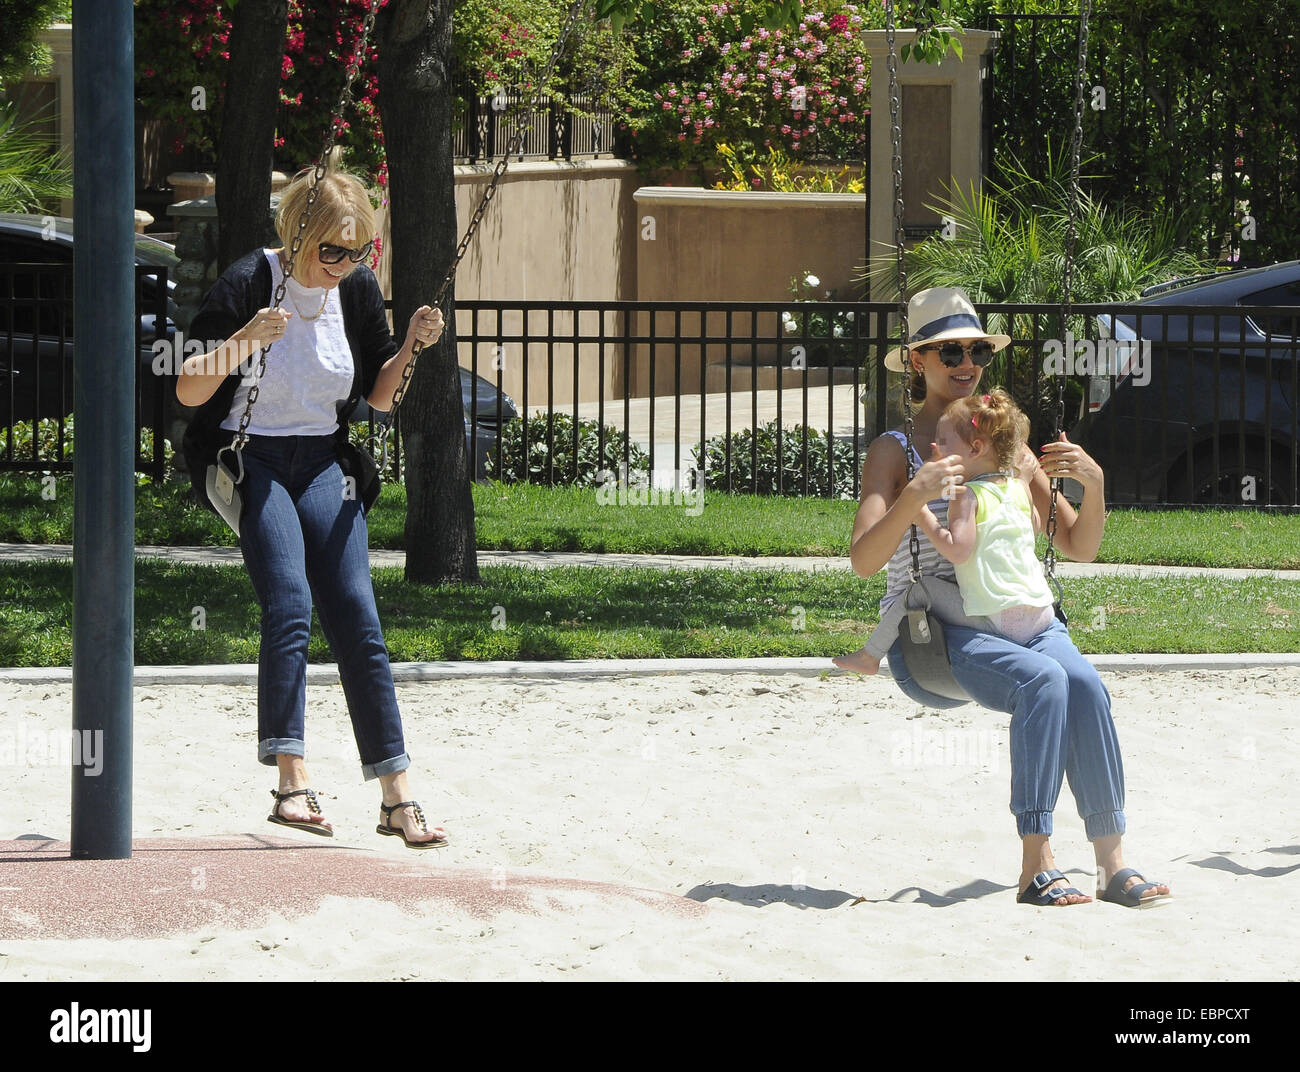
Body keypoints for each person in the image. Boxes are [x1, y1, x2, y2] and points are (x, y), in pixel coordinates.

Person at [848, 287, 1171, 908]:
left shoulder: (1010, 444)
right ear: (917, 359)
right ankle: (1037, 864)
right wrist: (915, 496)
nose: (966, 361)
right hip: (942, 633)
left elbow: (1077, 544)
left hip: (1022, 618)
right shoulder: (897, 449)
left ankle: (1113, 864)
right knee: (1041, 684)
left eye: (976, 349)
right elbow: (864, 561)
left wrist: (1094, 483)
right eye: (949, 351)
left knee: (1084, 685)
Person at [177, 166, 448, 848]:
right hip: (252, 458)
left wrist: (412, 343)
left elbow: (381, 397)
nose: (343, 266)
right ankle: (291, 781)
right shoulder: (249, 282)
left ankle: (396, 795)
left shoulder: (353, 290)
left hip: (324, 461)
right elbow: (185, 390)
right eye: (332, 251)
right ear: (298, 233)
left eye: (358, 253)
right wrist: (245, 339)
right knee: (290, 602)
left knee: (357, 612)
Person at [833, 388, 1051, 676]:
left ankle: (870, 655)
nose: (936, 446)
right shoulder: (1016, 486)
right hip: (1040, 614)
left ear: (974, 449)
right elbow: (1034, 526)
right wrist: (1023, 482)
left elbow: (957, 551)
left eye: (944, 442)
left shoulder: (966, 495)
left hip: (995, 616)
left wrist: (920, 513)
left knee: (917, 591)